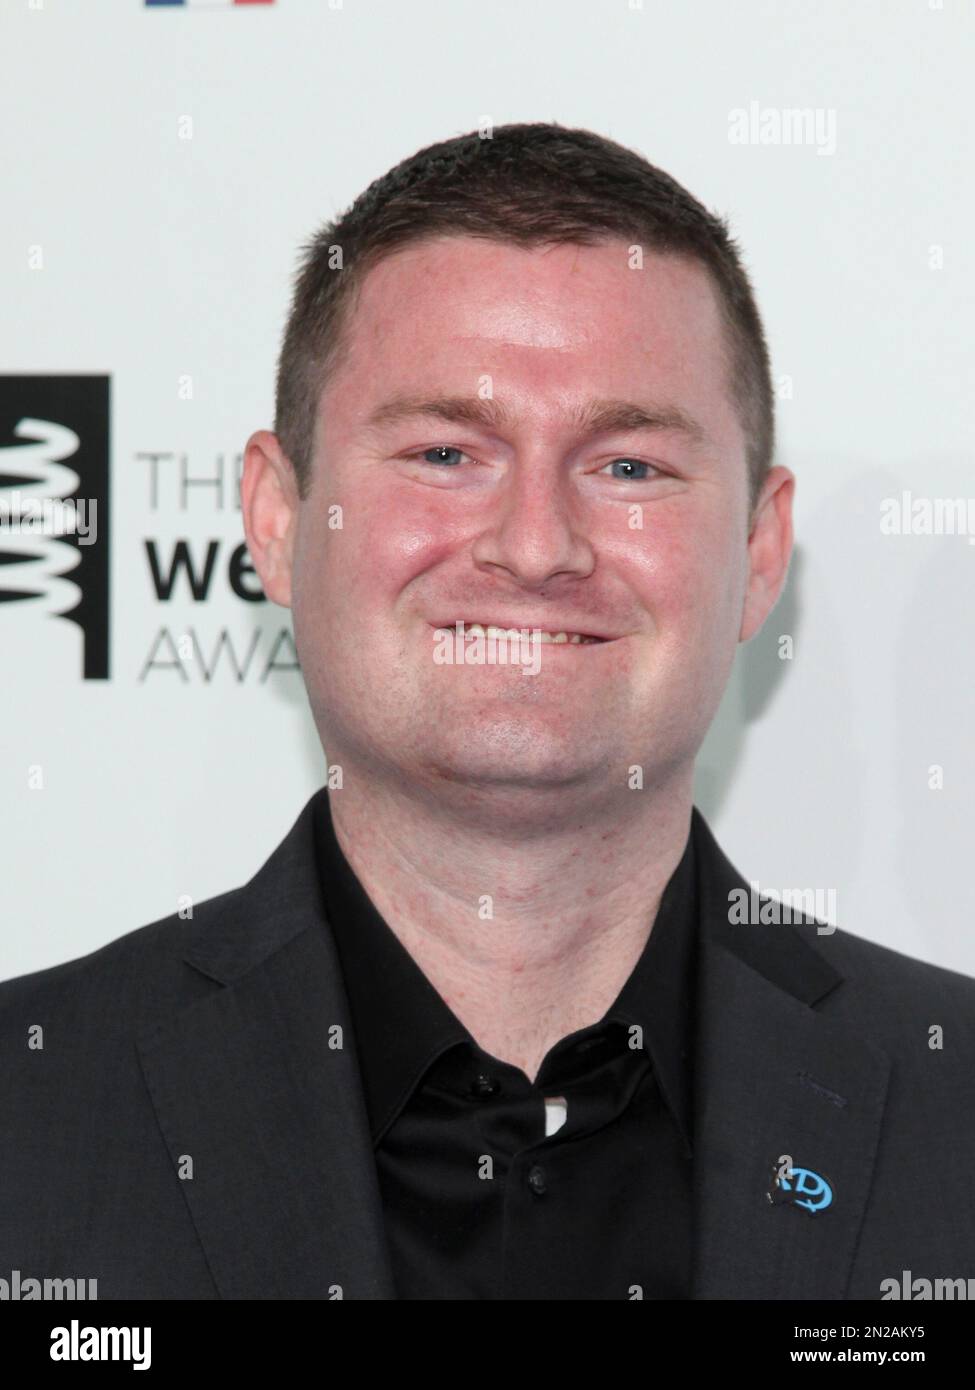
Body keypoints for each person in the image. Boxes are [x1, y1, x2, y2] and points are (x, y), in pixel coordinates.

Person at [2, 123, 973, 1302]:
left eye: (629, 467)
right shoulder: (30, 1113)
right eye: (446, 451)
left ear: (761, 551)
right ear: (273, 517)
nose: (534, 546)